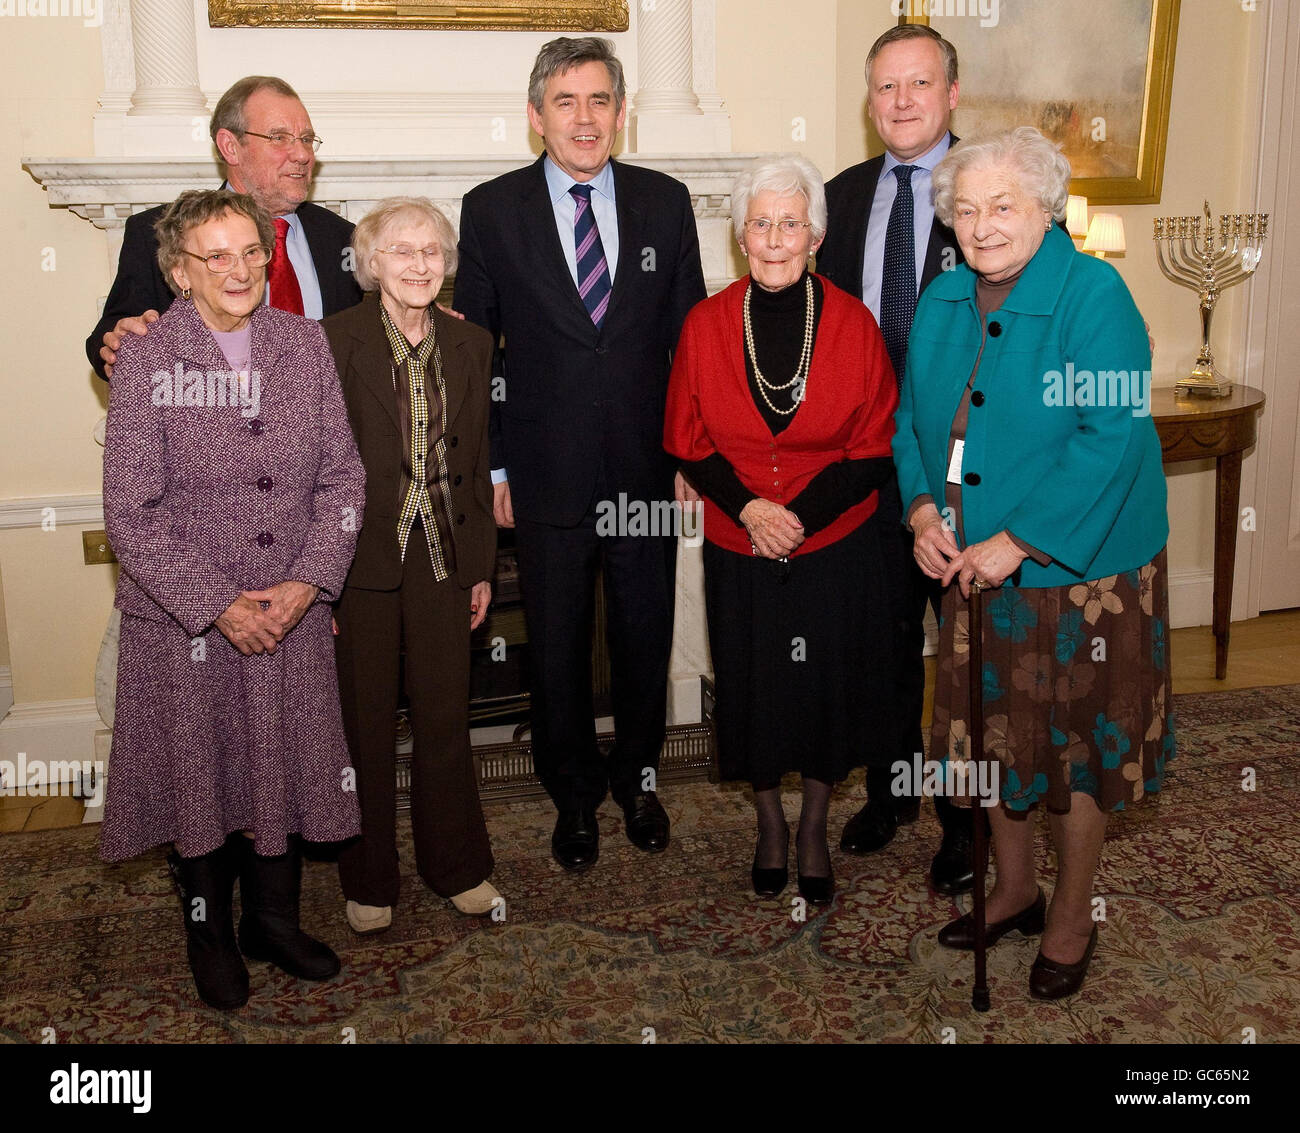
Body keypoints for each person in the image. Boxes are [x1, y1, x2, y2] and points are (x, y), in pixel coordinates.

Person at [893, 127, 1173, 999]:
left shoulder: (1095, 294)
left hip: (1077, 575)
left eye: (1003, 206)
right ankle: (1014, 887)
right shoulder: (943, 299)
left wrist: (1018, 540)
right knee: (990, 739)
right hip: (967, 562)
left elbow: (1111, 436)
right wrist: (920, 510)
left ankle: (1073, 910)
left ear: (1046, 209)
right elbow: (910, 425)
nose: (982, 226)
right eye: (966, 209)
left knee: (1073, 749)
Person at [99, 189, 367, 1010]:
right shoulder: (148, 358)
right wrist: (219, 604)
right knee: (202, 779)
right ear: (180, 271)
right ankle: (211, 932)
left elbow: (344, 479)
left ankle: (274, 922)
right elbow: (129, 511)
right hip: (189, 625)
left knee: (281, 768)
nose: (241, 269)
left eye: (252, 251)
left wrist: (308, 581)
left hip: (291, 613)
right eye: (217, 256)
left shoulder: (304, 343)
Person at [454, 37, 706, 871]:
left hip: (645, 472)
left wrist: (689, 458)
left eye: (600, 100)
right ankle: (573, 796)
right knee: (556, 646)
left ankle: (638, 780)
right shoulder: (490, 211)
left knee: (643, 635)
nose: (585, 118)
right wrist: (493, 470)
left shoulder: (666, 205)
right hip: (542, 476)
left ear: (622, 113)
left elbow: (689, 345)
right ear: (536, 117)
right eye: (565, 102)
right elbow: (476, 358)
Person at [664, 155, 900, 904]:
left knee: (827, 689)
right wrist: (753, 511)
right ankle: (770, 822)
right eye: (760, 223)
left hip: (834, 542)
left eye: (789, 223)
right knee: (754, 685)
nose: (773, 238)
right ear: (740, 235)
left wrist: (798, 518)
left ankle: (813, 827)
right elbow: (685, 438)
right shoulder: (704, 323)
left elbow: (873, 446)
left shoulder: (854, 324)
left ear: (815, 235)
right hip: (741, 541)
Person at [817, 23, 973, 892]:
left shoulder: (989, 193)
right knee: (877, 643)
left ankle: (963, 819)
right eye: (886, 87)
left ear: (952, 94)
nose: (902, 101)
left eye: (919, 84)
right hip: (870, 466)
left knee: (961, 650)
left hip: (963, 471)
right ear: (869, 100)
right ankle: (892, 789)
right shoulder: (839, 197)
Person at [322, 197, 500, 933]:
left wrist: (482, 565)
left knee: (443, 718)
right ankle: (369, 877)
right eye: (401, 250)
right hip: (358, 565)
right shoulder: (329, 343)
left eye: (432, 251)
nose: (420, 264)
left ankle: (456, 865)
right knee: (362, 725)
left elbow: (480, 461)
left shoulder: (472, 344)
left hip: (443, 559)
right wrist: (319, 578)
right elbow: (313, 468)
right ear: (372, 263)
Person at [87, 75, 362, 381]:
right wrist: (115, 343)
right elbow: (109, 335)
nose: (302, 155)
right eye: (280, 138)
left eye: (307, 139)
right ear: (230, 147)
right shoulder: (159, 233)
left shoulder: (345, 239)